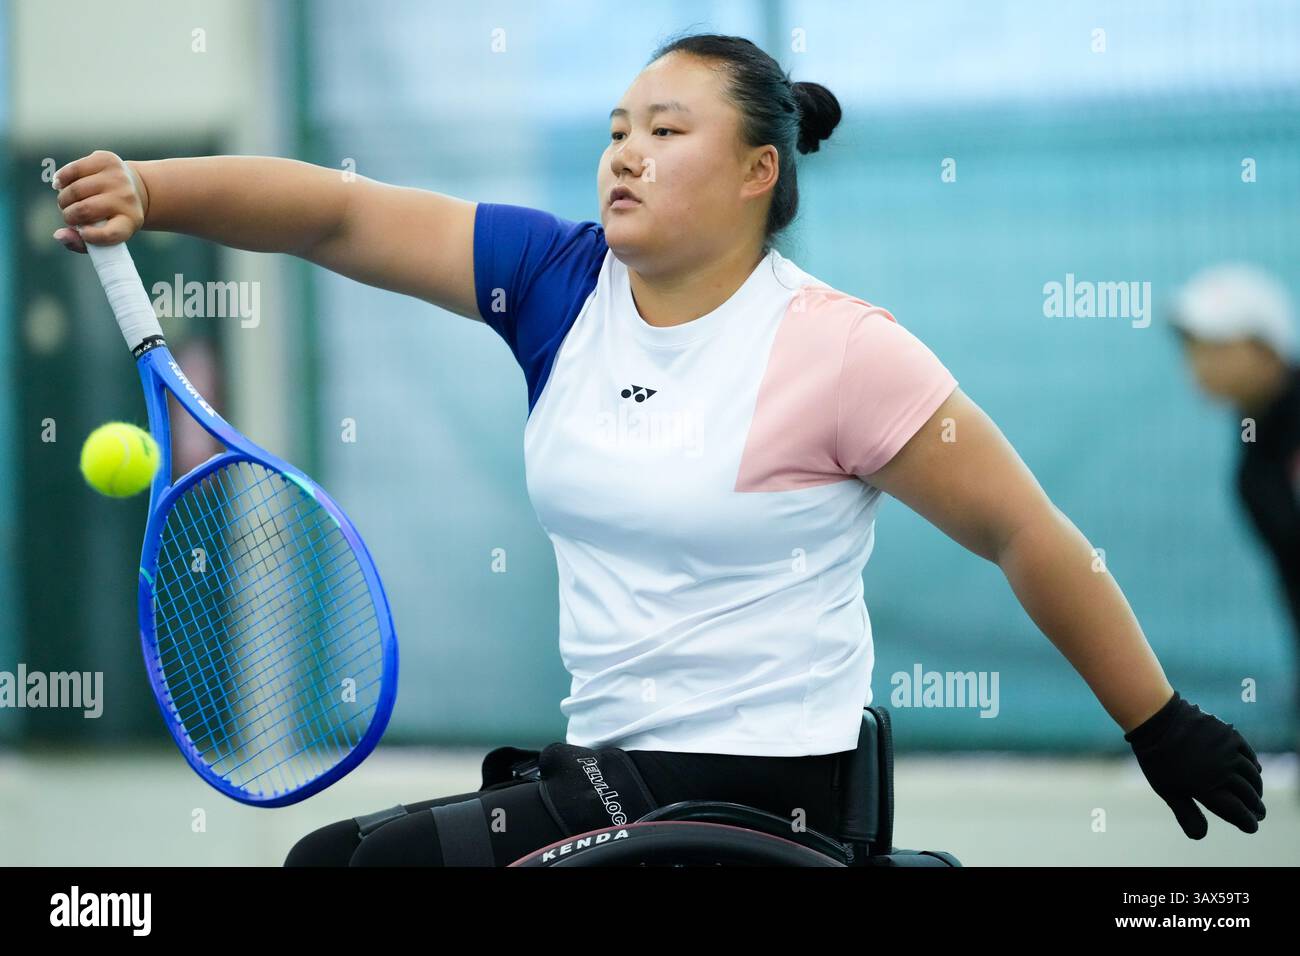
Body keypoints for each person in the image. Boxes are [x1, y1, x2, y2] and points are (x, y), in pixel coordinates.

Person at [53, 33, 1264, 866]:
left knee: (346, 863)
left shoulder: (843, 350)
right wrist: (155, 189)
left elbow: (1023, 530)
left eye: (665, 130)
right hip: (602, 777)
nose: (624, 151)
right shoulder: (553, 281)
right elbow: (340, 212)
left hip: (760, 797)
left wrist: (1155, 720)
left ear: (756, 172)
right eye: (617, 127)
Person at [1169, 263, 1300, 761]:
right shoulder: (1255, 446)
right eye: (1192, 346)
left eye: (1217, 344)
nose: (1199, 361)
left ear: (1266, 350)